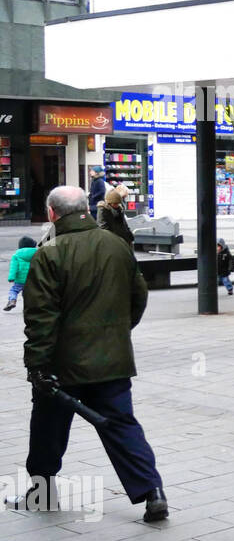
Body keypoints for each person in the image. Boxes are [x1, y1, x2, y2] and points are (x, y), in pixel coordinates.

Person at [4, 187, 167, 521]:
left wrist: (36, 365)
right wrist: (118, 333)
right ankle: (153, 492)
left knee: (48, 430)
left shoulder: (49, 253)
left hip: (62, 366)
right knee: (122, 426)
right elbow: (138, 295)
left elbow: (40, 319)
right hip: (112, 360)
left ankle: (42, 493)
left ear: (52, 213)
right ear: (84, 210)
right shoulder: (116, 245)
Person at [5, 235, 37, 311]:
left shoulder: (16, 255)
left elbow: (14, 268)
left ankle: (12, 300)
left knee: (14, 290)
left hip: (20, 280)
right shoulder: (37, 253)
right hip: (33, 279)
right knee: (29, 292)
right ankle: (31, 306)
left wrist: (11, 278)